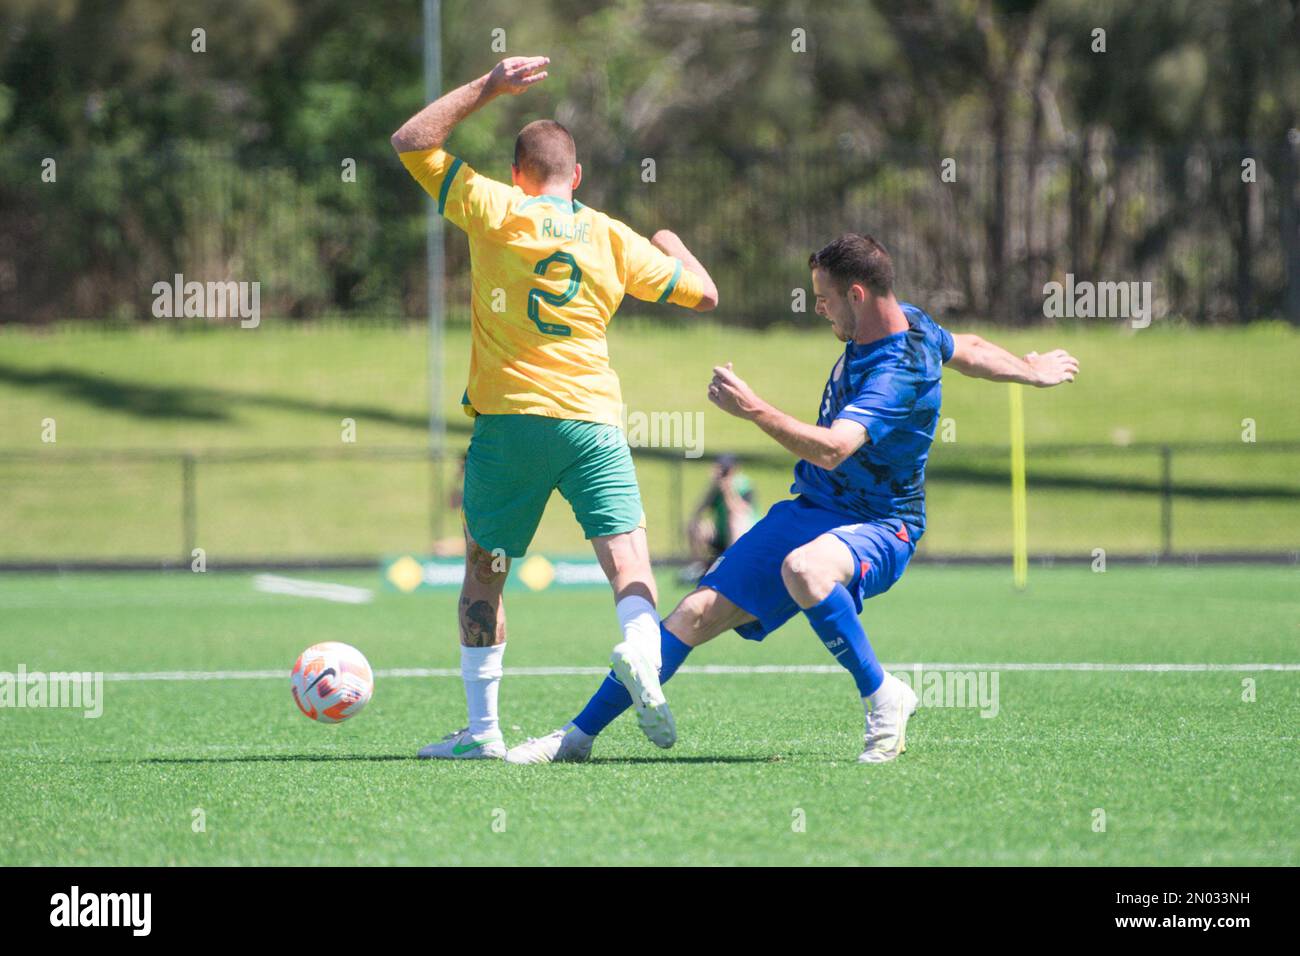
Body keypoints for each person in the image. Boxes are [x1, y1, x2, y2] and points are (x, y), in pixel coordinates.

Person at [506, 233, 1078, 765]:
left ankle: (883, 697)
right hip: (813, 510)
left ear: (857, 294)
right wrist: (1030, 372)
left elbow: (833, 449)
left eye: (825, 298)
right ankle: (575, 739)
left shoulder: (897, 369)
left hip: (882, 523)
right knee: (693, 613)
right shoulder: (914, 325)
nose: (819, 308)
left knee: (806, 570)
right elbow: (969, 346)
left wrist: (752, 409)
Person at [391, 56, 719, 760]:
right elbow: (705, 293)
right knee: (627, 560)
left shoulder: (493, 207)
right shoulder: (607, 234)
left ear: (518, 174)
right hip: (591, 420)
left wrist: (488, 87)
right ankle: (639, 650)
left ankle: (482, 735)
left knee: (487, 571)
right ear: (577, 179)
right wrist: (671, 243)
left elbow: (411, 141)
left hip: (510, 425)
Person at [681, 454, 755, 583]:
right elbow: (700, 510)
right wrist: (713, 487)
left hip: (742, 537)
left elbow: (738, 510)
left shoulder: (743, 484)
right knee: (695, 525)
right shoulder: (716, 486)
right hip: (721, 534)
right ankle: (699, 566)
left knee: (734, 521)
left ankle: (733, 567)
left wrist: (727, 489)